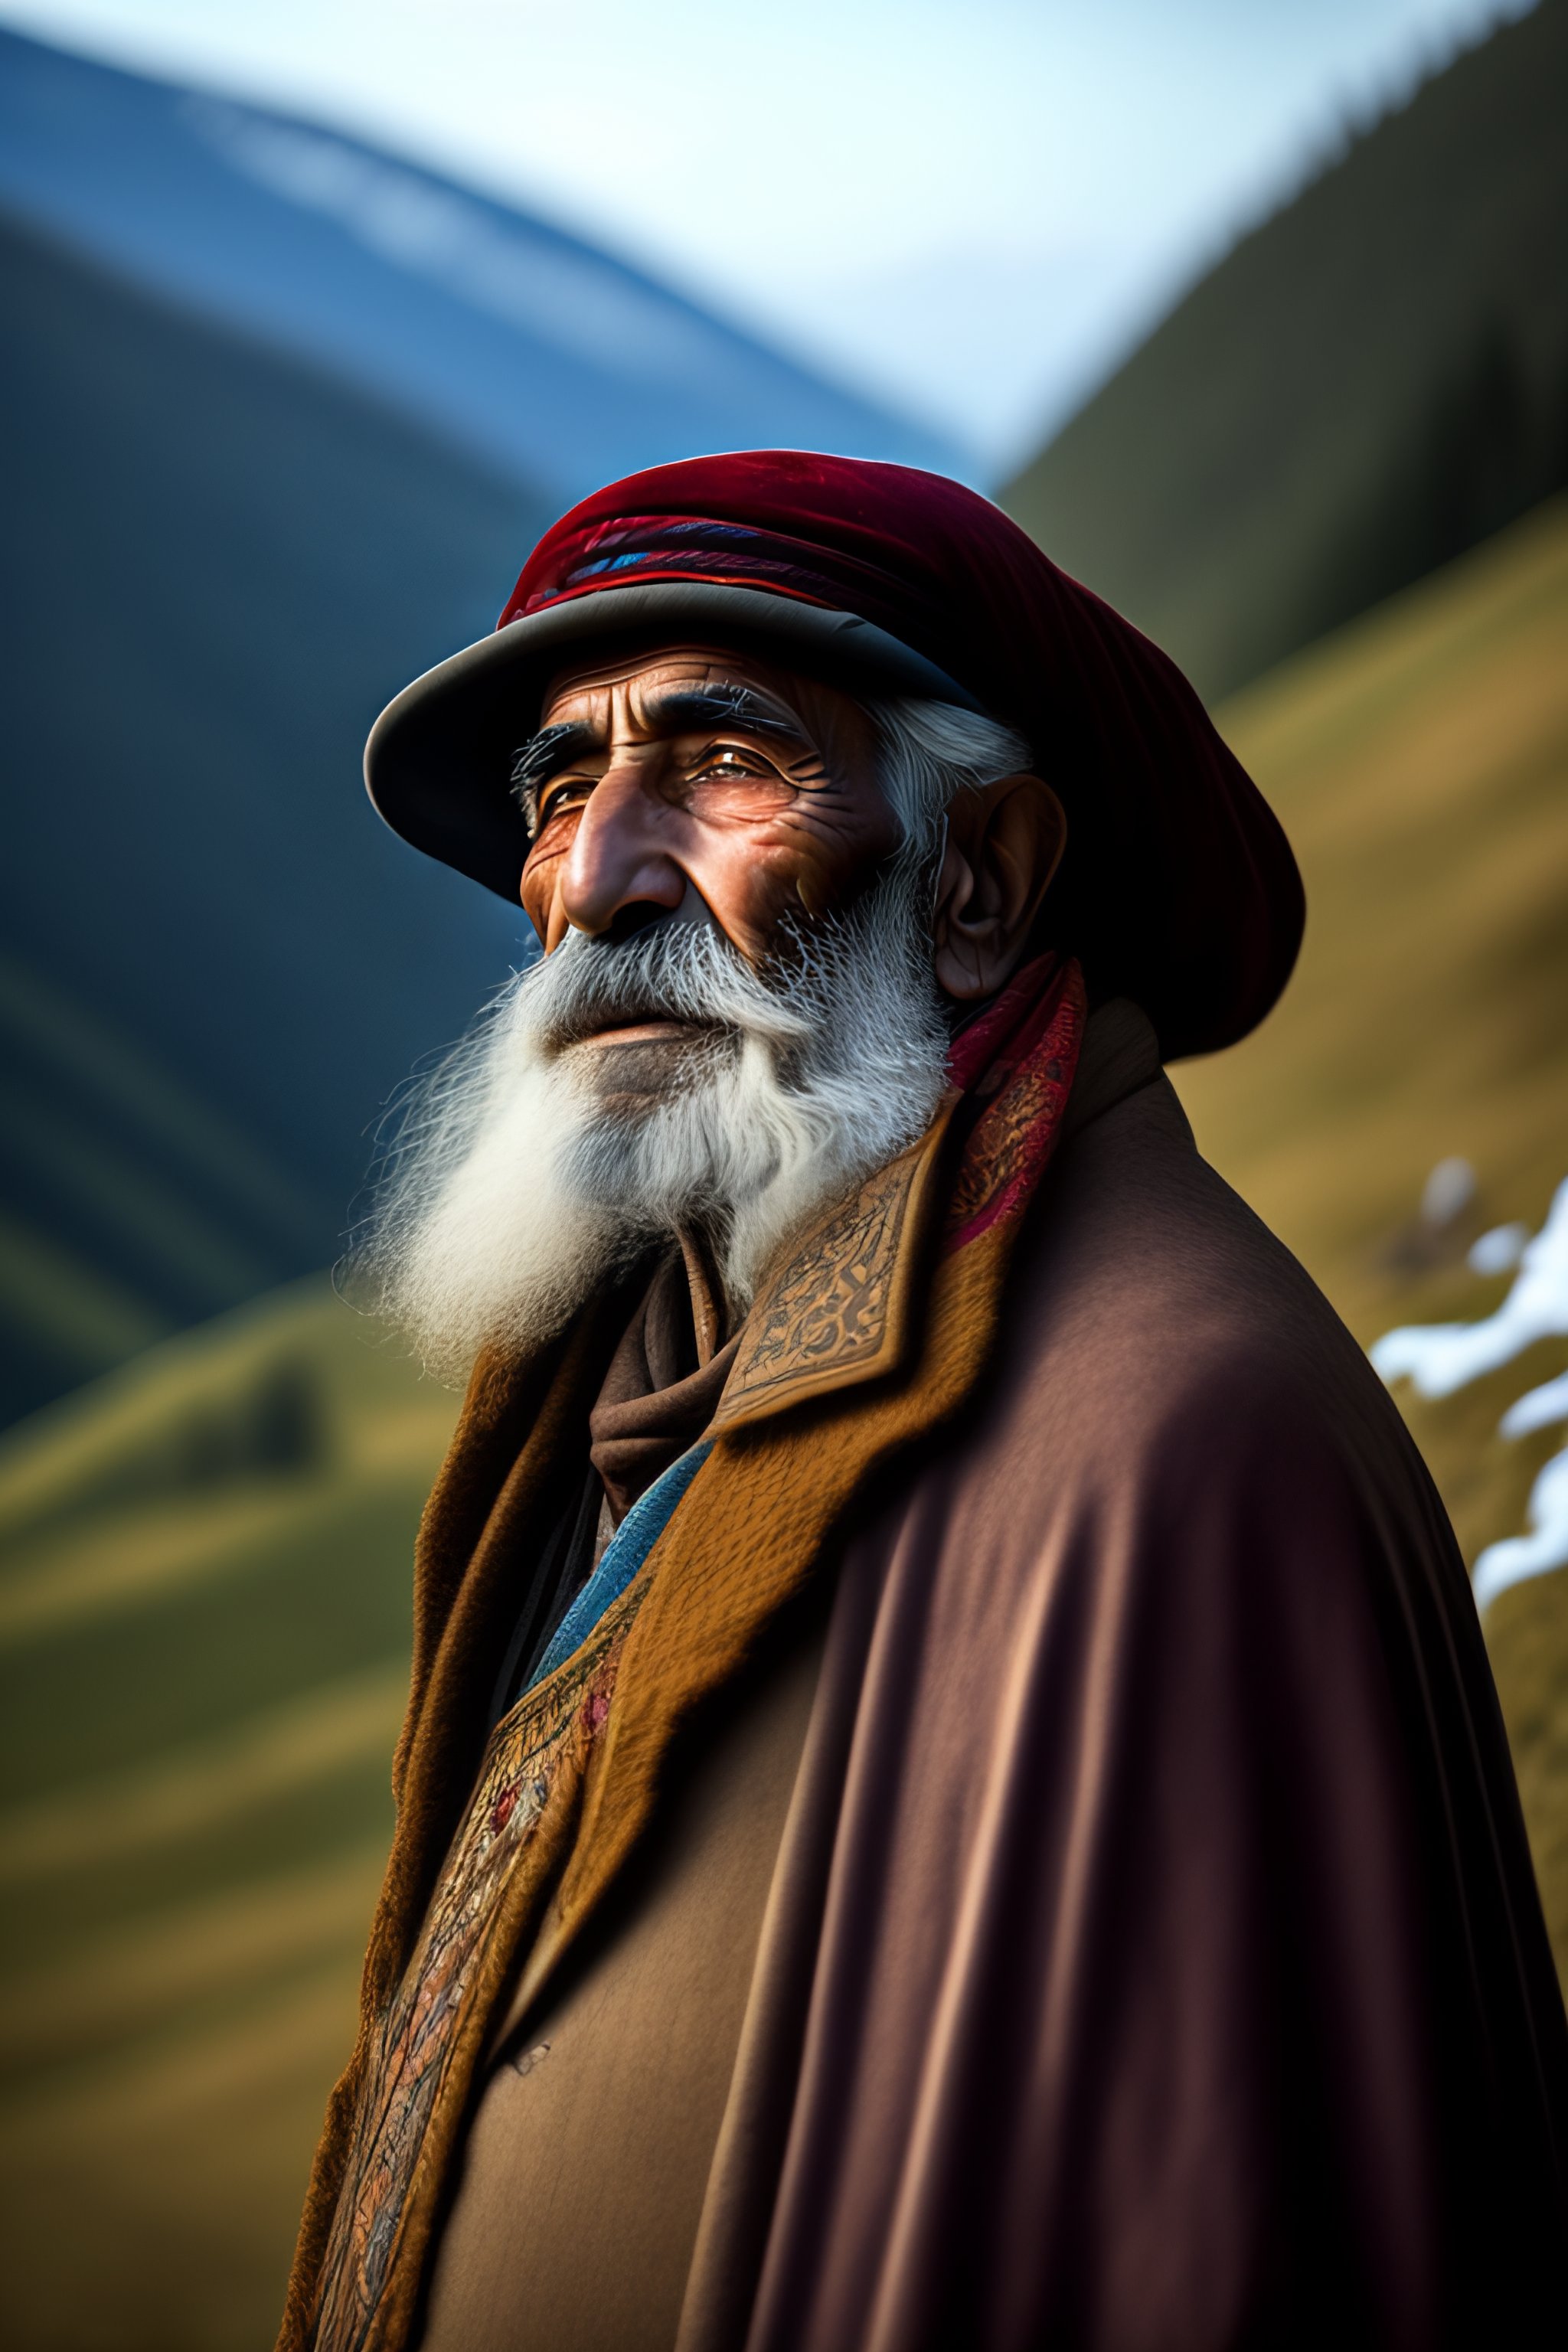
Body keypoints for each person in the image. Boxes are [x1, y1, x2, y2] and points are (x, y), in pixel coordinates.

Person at [279, 453, 1568, 2352]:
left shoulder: (1174, 1452)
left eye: (719, 766)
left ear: (979, 877)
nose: (598, 878)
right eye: (564, 787)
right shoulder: (632, 1373)